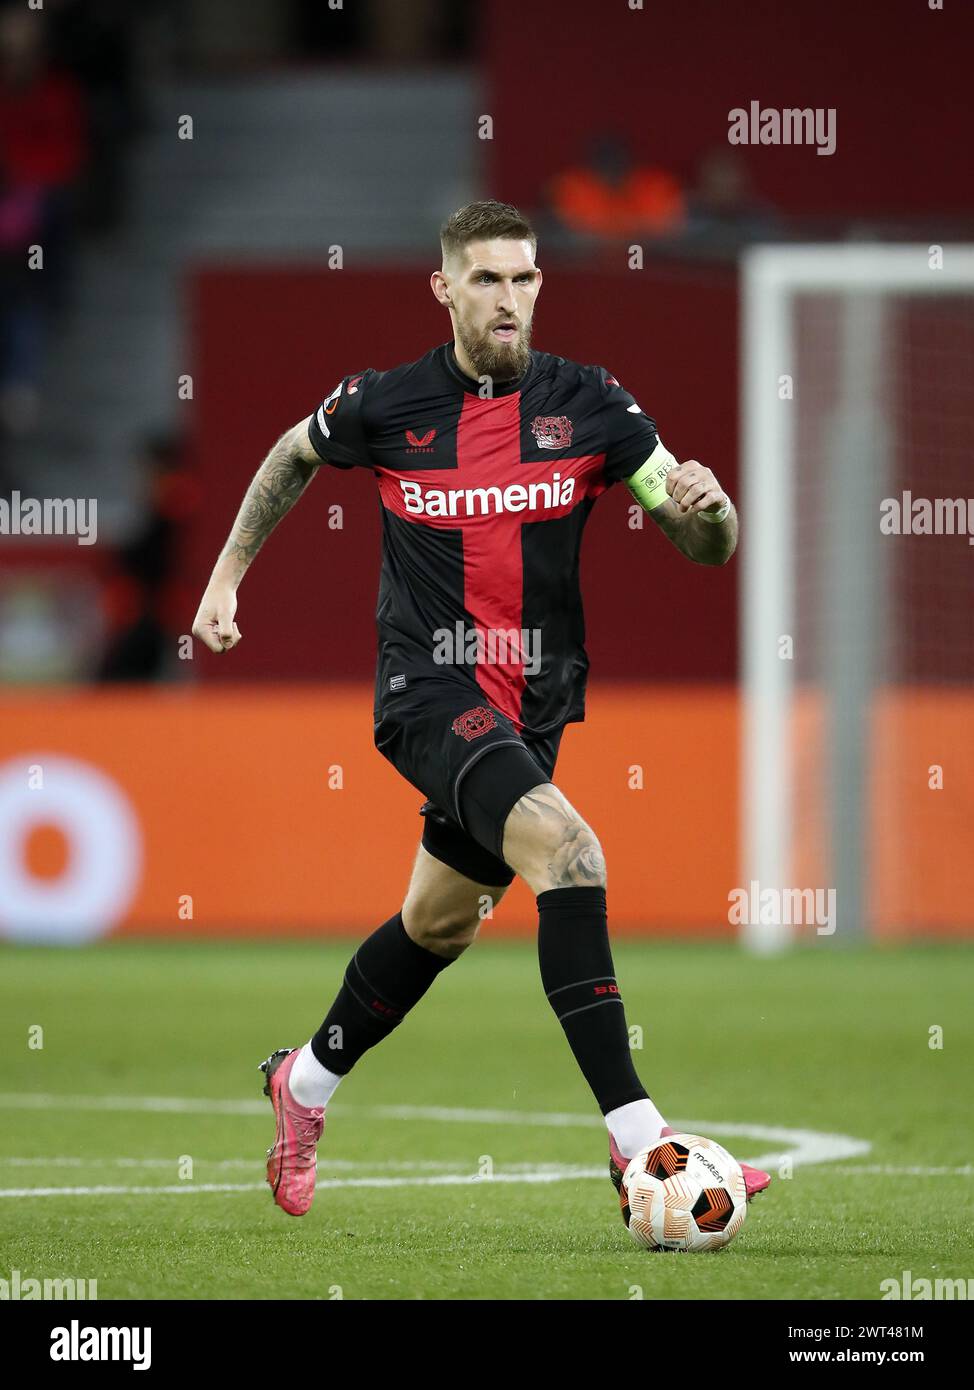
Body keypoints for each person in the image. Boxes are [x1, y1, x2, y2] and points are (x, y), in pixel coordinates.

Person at [191, 200, 771, 1223]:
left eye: (526, 279)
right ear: (445, 287)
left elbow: (693, 537)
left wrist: (711, 518)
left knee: (437, 922)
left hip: (532, 702)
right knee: (569, 851)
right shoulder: (386, 403)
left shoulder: (591, 405)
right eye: (489, 280)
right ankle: (645, 1146)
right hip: (429, 690)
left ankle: (304, 1085)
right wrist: (227, 576)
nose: (511, 299)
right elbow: (289, 455)